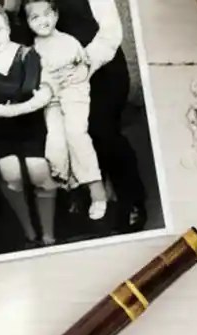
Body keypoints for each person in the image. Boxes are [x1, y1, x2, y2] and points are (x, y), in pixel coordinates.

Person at [0, 1, 61, 244]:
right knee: (12, 172)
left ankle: (48, 233)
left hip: (31, 125)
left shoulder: (27, 54)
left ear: (8, 29)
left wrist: (5, 108)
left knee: (38, 170)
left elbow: (31, 91)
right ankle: (28, 229)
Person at [53, 0, 147, 232]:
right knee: (65, 130)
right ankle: (89, 192)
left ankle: (131, 197)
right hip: (61, 76)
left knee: (102, 130)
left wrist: (84, 63)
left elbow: (110, 33)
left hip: (103, 69)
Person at [20, 0, 108, 221]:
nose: (43, 21)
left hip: (74, 92)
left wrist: (80, 72)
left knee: (76, 134)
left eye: (47, 14)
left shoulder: (68, 41)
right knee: (55, 144)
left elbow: (84, 66)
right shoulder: (32, 50)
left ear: (56, 15)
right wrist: (44, 84)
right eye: (35, 17)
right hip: (51, 100)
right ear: (28, 22)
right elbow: (32, 81)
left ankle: (97, 191)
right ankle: (71, 185)